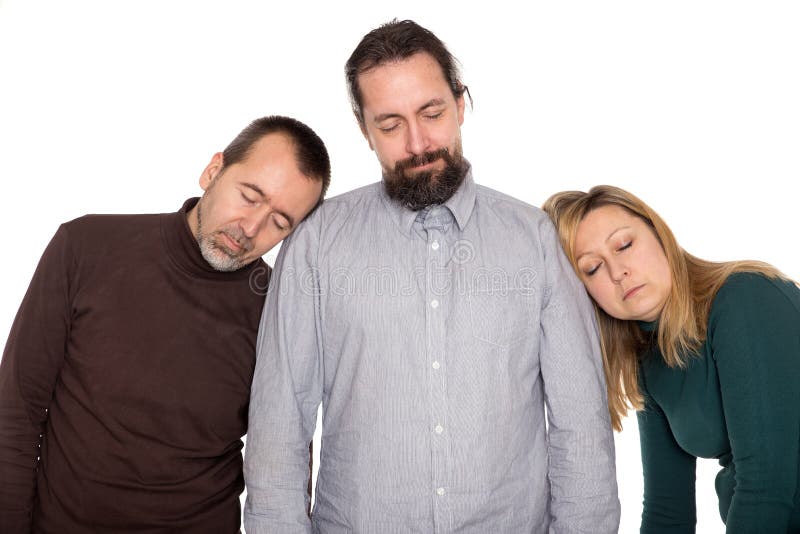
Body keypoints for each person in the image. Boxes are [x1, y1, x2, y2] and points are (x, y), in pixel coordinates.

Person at [244, 19, 619, 533]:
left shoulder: (535, 239)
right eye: (390, 125)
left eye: (432, 113)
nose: (418, 143)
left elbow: (581, 425)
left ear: (461, 104)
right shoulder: (316, 242)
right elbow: (279, 423)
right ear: (364, 129)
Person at [0, 115, 330, 533]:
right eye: (249, 196)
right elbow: (16, 413)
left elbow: (285, 463)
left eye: (280, 222)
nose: (250, 228)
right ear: (213, 171)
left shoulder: (280, 311)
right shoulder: (84, 247)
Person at [543, 185, 800, 532]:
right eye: (592, 268)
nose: (617, 271)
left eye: (624, 245)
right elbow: (667, 511)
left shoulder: (745, 296)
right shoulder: (649, 362)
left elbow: (766, 484)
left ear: (659, 233)